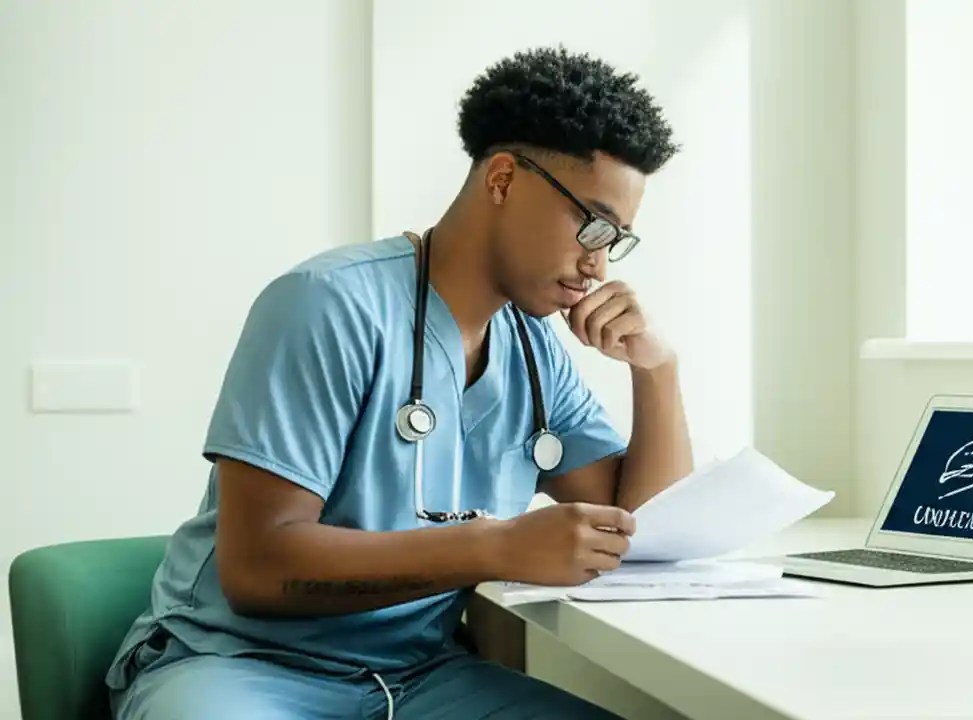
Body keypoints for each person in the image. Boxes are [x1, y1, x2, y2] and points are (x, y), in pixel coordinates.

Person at [105, 46, 692, 719]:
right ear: (503, 178)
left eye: (616, 238)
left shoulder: (533, 350)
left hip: (420, 679)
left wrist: (657, 370)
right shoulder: (325, 304)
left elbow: (644, 534)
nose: (596, 262)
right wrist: (496, 545)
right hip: (240, 665)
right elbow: (257, 568)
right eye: (591, 222)